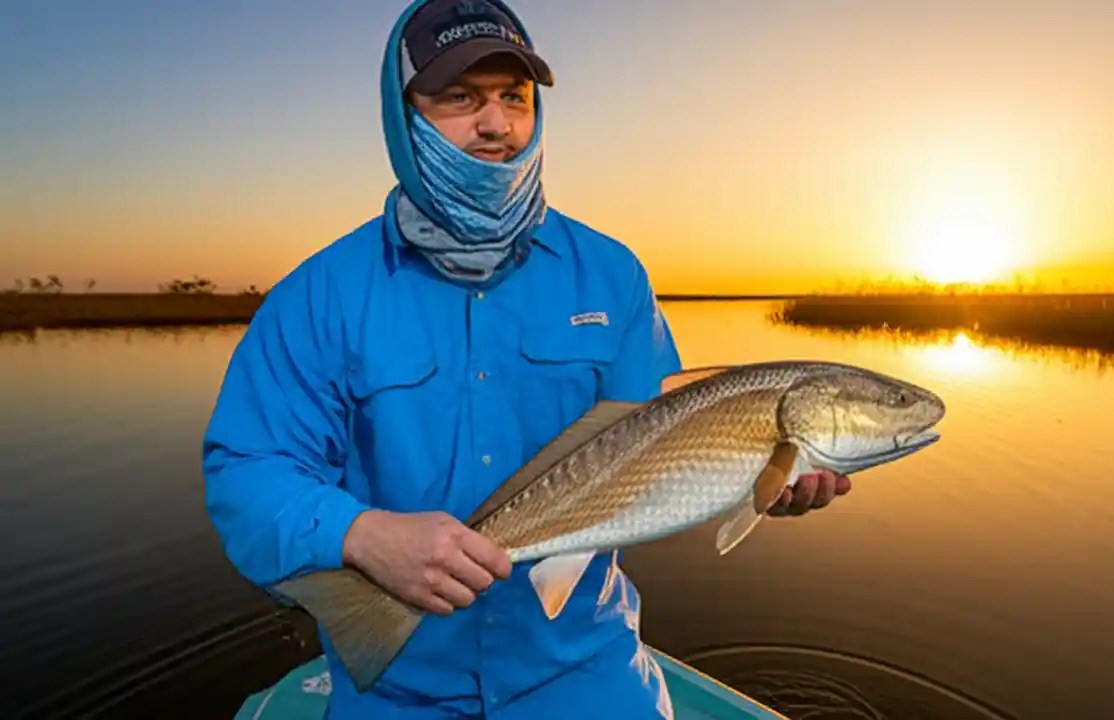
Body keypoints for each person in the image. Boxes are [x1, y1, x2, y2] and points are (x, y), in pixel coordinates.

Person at [202, 0, 851, 717]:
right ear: (402, 113)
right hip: (397, 690)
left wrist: (759, 479)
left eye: (515, 97)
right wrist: (363, 536)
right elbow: (248, 472)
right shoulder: (320, 294)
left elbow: (662, 456)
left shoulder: (613, 275)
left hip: (587, 670)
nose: (496, 124)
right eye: (460, 97)